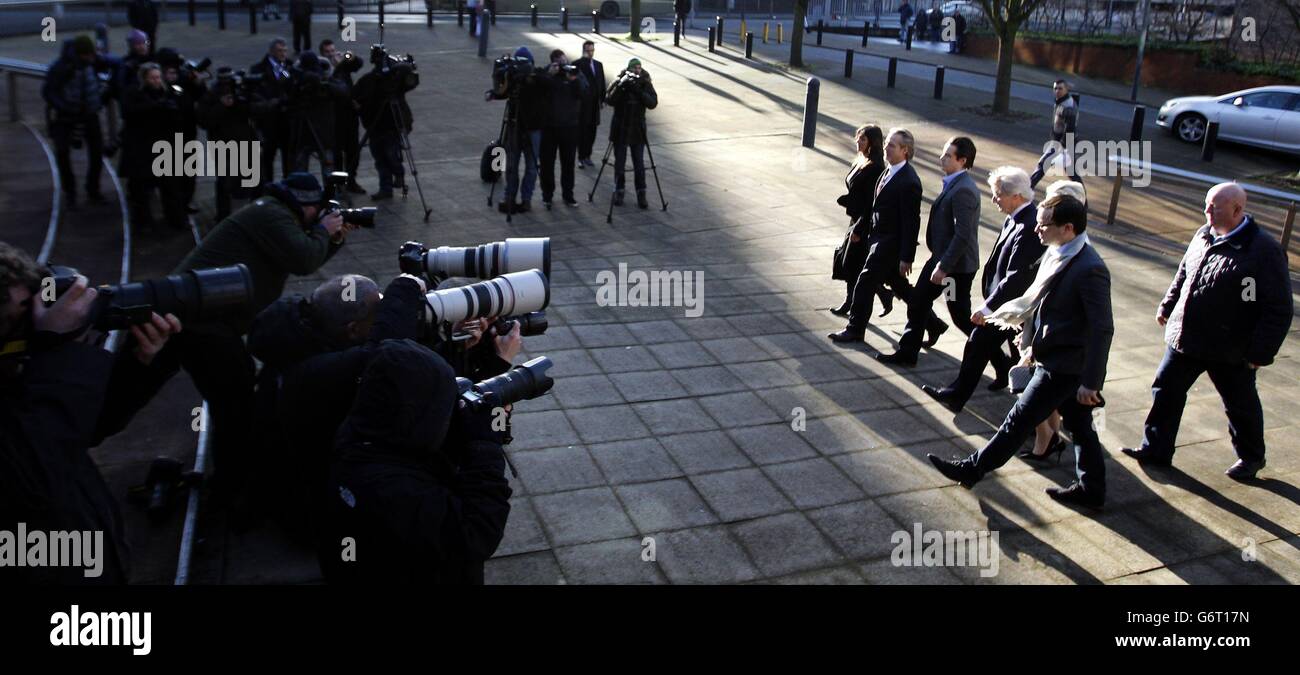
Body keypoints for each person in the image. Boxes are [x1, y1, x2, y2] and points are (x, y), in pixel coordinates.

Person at [94, 173, 359, 502]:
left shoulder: (274, 212)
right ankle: (232, 489)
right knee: (235, 402)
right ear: (305, 206)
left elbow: (306, 256)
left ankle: (87, 430)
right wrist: (323, 232)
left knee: (140, 388)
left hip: (193, 319)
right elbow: (303, 259)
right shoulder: (272, 214)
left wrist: (332, 239)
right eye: (318, 211)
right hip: (201, 324)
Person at [1, 242, 180, 585]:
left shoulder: (18, 380)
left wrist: (138, 366)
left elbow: (73, 433)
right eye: (19, 316)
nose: (34, 323)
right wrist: (57, 353)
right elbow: (36, 470)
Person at [928, 194, 1113, 509]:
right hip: (1054, 356)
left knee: (1018, 420)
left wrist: (1092, 382)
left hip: (1064, 364)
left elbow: (1102, 328)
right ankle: (1092, 489)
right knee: (1081, 427)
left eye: (1044, 225)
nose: (1037, 230)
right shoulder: (1060, 253)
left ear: (1068, 228)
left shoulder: (1089, 268)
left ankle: (973, 469)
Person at [1122, 183, 1293, 480]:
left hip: (1230, 348)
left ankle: (1252, 458)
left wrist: (1261, 353)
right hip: (1186, 338)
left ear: (1238, 210)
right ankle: (1156, 448)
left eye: (1214, 207)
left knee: (1240, 406)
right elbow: (1185, 273)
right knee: (1166, 392)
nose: (1207, 212)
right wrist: (1168, 304)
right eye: (1206, 205)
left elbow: (1277, 308)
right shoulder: (1203, 234)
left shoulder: (1263, 251)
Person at [318, 339, 513, 585]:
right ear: (414, 413)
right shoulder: (392, 491)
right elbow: (476, 534)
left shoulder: (361, 430)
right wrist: (486, 445)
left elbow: (414, 452)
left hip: (360, 562)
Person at [921, 166, 1043, 412]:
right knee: (991, 348)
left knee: (989, 345)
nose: (994, 199)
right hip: (1006, 304)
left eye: (998, 194)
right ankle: (1021, 404)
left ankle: (1040, 418)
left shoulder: (1027, 225)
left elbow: (1016, 278)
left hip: (1012, 307)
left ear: (1016, 196)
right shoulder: (1017, 216)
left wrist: (988, 307)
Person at [877, 137, 980, 366]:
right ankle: (908, 352)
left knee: (961, 316)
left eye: (947, 155)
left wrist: (943, 268)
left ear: (962, 161)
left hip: (954, 269)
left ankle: (996, 356)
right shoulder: (954, 183)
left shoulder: (964, 191)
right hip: (941, 260)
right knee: (919, 301)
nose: (941, 158)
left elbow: (963, 235)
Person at [829, 128, 932, 344]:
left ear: (905, 151)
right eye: (887, 143)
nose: (886, 147)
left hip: (889, 245)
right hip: (877, 240)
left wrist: (907, 257)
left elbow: (912, 222)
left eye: (892, 145)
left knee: (865, 282)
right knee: (899, 285)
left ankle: (855, 329)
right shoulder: (888, 171)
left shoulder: (909, 181)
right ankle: (934, 325)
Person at [830, 124, 892, 318]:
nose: (858, 141)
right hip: (855, 219)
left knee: (854, 264)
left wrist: (858, 228)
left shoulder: (875, 168)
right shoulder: (861, 160)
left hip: (863, 223)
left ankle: (859, 301)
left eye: (862, 139)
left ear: (872, 143)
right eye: (858, 138)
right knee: (852, 263)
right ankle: (879, 293)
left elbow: (870, 202)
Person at [43, 36, 111, 209]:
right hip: (67, 116)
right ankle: (71, 191)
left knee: (96, 152)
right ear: (82, 55)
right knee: (63, 153)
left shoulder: (89, 62)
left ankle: (92, 188)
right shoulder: (61, 67)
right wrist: (65, 107)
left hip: (88, 114)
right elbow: (48, 91)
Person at [119, 62, 186, 230]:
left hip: (163, 147)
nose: (157, 81)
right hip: (142, 149)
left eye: (158, 77)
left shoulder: (167, 91)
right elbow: (129, 113)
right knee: (141, 190)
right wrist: (156, 107)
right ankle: (143, 223)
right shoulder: (134, 93)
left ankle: (175, 221)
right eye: (153, 78)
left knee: (170, 188)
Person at [486, 46, 546, 214]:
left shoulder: (538, 78)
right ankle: (509, 197)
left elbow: (547, 83)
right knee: (511, 165)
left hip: (532, 128)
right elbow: (501, 91)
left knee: (532, 166)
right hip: (514, 126)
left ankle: (526, 199)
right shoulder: (513, 78)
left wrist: (531, 77)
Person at [198, 67, 262, 220]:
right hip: (223, 145)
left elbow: (255, 110)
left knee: (255, 180)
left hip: (246, 142)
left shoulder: (241, 92)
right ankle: (223, 215)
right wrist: (221, 106)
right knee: (225, 182)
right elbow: (204, 121)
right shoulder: (211, 95)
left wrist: (243, 97)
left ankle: (257, 213)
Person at [354, 49, 416, 201]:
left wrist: (403, 68)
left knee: (390, 154)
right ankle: (385, 188)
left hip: (393, 124)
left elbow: (412, 81)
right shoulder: (368, 80)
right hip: (375, 125)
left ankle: (398, 174)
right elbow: (355, 98)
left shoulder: (394, 80)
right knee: (380, 158)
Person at [605, 58, 658, 209]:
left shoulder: (645, 83)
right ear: (628, 69)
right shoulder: (620, 81)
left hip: (637, 128)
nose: (636, 71)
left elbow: (652, 103)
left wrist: (639, 91)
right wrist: (621, 86)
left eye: (639, 68)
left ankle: (641, 193)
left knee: (639, 163)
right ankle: (619, 190)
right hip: (621, 127)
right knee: (619, 163)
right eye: (634, 68)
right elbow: (610, 99)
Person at [539, 49, 588, 208]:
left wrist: (573, 80)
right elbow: (538, 90)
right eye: (560, 63)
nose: (564, 65)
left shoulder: (574, 73)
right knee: (547, 164)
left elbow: (583, 93)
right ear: (553, 62)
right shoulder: (547, 73)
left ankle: (568, 195)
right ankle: (547, 195)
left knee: (568, 164)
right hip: (549, 127)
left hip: (570, 126)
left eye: (565, 61)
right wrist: (549, 75)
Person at [288, 51, 347, 177]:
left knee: (328, 168)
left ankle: (330, 191)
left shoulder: (326, 79)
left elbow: (343, 91)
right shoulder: (298, 80)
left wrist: (322, 84)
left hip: (323, 133)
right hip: (304, 131)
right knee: (300, 167)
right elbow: (289, 97)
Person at [320, 40, 366, 194]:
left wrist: (350, 57)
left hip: (350, 116)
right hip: (332, 117)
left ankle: (351, 180)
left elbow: (359, 64)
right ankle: (339, 183)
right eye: (327, 52)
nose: (332, 54)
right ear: (322, 54)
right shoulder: (323, 68)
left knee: (353, 150)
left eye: (333, 51)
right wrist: (337, 66)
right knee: (336, 153)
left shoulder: (343, 65)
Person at [250, 38, 295, 185]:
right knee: (267, 157)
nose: (283, 54)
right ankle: (267, 187)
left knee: (289, 157)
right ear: (271, 52)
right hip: (268, 121)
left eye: (284, 50)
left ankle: (288, 185)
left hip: (287, 121)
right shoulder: (258, 69)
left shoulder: (290, 66)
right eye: (279, 51)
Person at [1030, 79, 1080, 189]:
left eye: (1060, 88)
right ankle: (1083, 198)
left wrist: (1062, 145)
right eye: (1055, 88)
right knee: (1071, 171)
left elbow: (1070, 127)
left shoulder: (1068, 106)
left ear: (1067, 89)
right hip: (1062, 142)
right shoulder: (1061, 101)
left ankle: (1026, 190)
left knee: (1043, 164)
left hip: (1062, 142)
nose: (1057, 91)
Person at [573, 40, 605, 169]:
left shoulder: (598, 65)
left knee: (592, 130)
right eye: (588, 50)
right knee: (582, 131)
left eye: (592, 50)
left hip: (594, 104)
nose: (590, 53)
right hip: (583, 105)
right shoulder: (578, 64)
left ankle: (588, 155)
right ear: (583, 50)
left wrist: (602, 99)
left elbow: (601, 82)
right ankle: (581, 156)